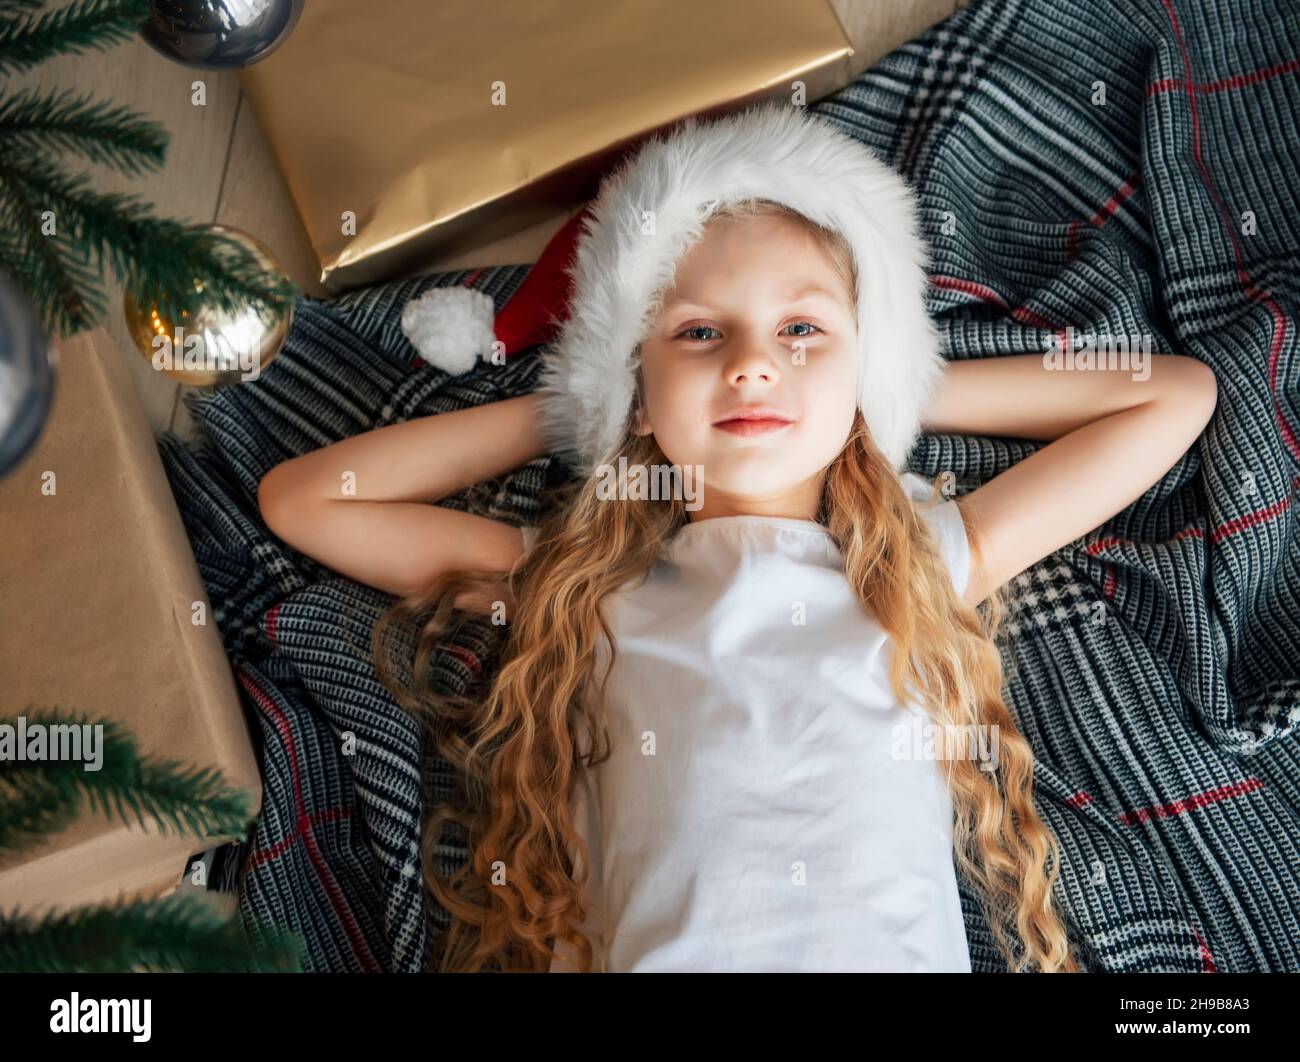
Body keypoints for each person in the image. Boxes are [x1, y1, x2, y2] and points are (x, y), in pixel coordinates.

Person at [257, 102, 1218, 973]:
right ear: (637, 385)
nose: (757, 365)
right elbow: (306, 503)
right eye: (699, 335)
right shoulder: (588, 589)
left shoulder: (908, 570)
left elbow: (1172, 396)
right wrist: (577, 406)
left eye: (802, 330)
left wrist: (886, 393)